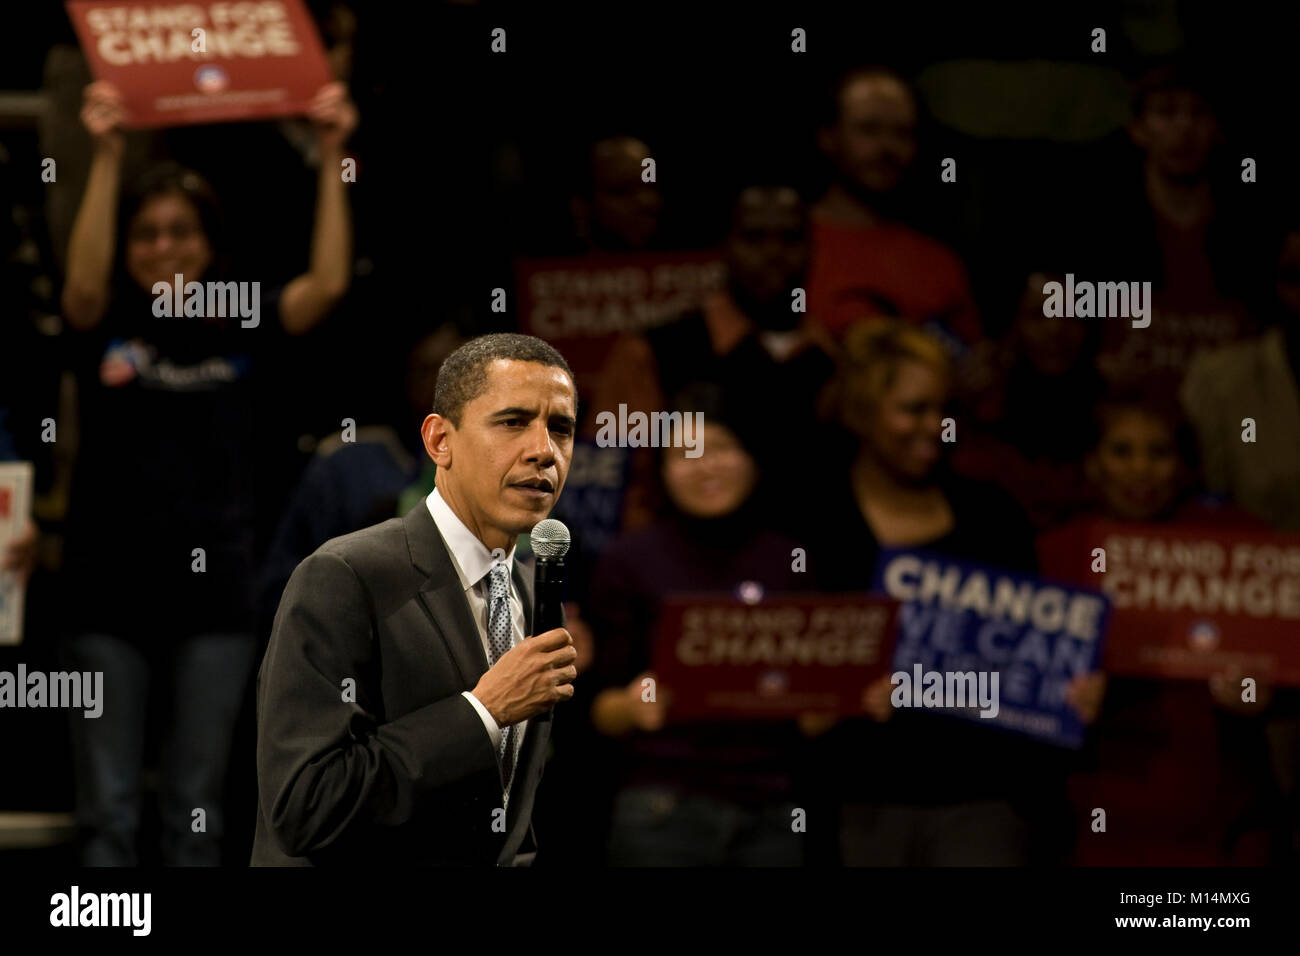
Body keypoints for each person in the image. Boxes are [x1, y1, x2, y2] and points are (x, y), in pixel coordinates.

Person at [57, 80, 356, 866]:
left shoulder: (240, 310)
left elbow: (324, 287)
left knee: (198, 808)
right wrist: (109, 153)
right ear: (127, 246)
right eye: (147, 233)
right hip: (106, 590)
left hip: (217, 594)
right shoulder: (107, 316)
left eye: (181, 231)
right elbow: (80, 290)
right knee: (109, 815)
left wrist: (332, 157)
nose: (164, 247)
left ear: (209, 242)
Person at [251, 334, 579, 866]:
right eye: (513, 421)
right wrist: (484, 711)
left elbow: (509, 815)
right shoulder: (344, 576)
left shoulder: (531, 591)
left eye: (559, 428)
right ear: (439, 441)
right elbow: (305, 805)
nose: (543, 450)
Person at [800, 318, 1102, 865]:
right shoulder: (814, 522)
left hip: (982, 800)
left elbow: (1035, 653)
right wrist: (832, 694)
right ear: (862, 413)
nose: (934, 427)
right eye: (913, 410)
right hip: (858, 797)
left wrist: (1069, 689)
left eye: (944, 410)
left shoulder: (993, 515)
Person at [1037, 389, 1283, 864]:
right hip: (1097, 810)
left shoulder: (1240, 544)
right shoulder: (1055, 555)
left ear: (1184, 465)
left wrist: (1254, 696)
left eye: (1159, 452)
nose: (1140, 470)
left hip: (1222, 812)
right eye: (1121, 451)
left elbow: (1281, 678)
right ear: (1093, 463)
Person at [586, 384, 811, 866]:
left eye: (722, 447)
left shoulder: (791, 558)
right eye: (686, 454)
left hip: (774, 807)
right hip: (662, 806)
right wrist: (631, 705)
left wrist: (843, 696)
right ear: (662, 471)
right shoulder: (628, 560)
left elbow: (812, 707)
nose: (706, 465)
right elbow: (596, 706)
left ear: (752, 455)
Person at [806, 66, 982, 353]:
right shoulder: (777, 243)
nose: (887, 148)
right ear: (828, 136)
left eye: (902, 133)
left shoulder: (940, 263)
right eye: (868, 129)